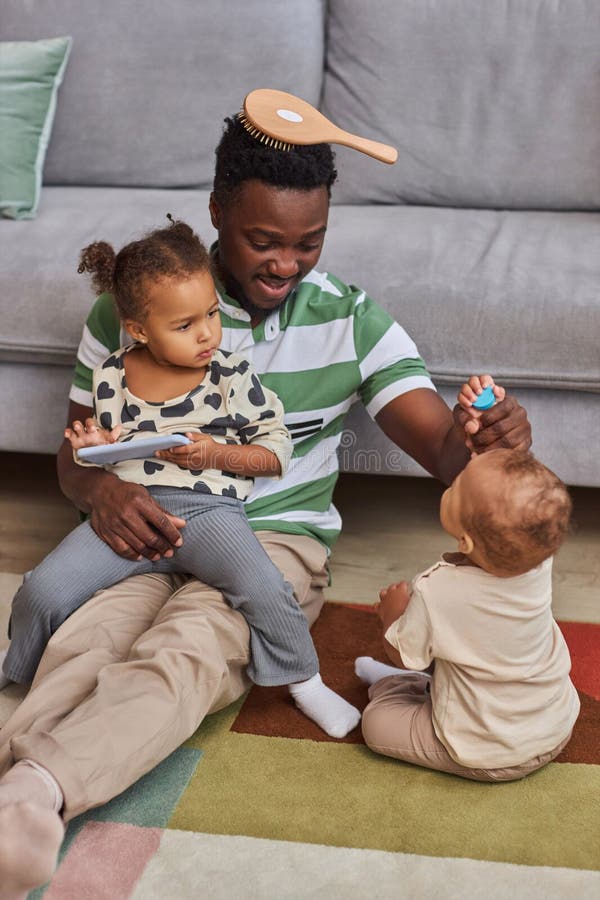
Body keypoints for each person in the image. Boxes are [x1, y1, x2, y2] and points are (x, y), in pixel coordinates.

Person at [0, 112, 532, 897]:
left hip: (273, 538)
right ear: (216, 211)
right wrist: (101, 489)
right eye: (264, 241)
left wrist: (489, 437)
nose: (287, 262)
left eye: (308, 241)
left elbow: (445, 456)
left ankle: (34, 793)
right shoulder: (133, 306)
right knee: (83, 638)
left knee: (191, 646)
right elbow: (74, 453)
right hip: (144, 522)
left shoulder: (352, 319)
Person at [0, 219, 360, 739]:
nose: (208, 333)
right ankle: (18, 665)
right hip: (133, 517)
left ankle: (304, 681)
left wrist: (216, 454)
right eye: (186, 324)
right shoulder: (112, 376)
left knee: (264, 588)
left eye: (211, 313)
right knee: (43, 589)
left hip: (209, 513)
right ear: (139, 329)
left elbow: (277, 452)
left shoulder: (231, 376)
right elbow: (106, 455)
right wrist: (93, 447)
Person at [356, 443, 580, 781]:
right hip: (555, 726)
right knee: (457, 654)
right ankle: (424, 689)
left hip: (487, 753)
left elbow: (402, 654)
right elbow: (506, 492)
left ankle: (399, 687)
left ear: (466, 543)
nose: (452, 483)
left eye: (458, 486)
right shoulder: (537, 558)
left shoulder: (438, 590)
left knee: (375, 724)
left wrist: (392, 614)